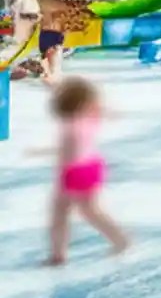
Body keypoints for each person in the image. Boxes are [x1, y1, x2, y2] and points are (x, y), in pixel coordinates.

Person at [41, 77, 129, 265]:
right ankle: (120, 240)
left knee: (64, 212)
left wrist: (49, 155)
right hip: (93, 166)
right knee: (89, 211)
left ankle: (59, 255)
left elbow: (67, 154)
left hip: (75, 171)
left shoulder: (70, 124)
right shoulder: (90, 116)